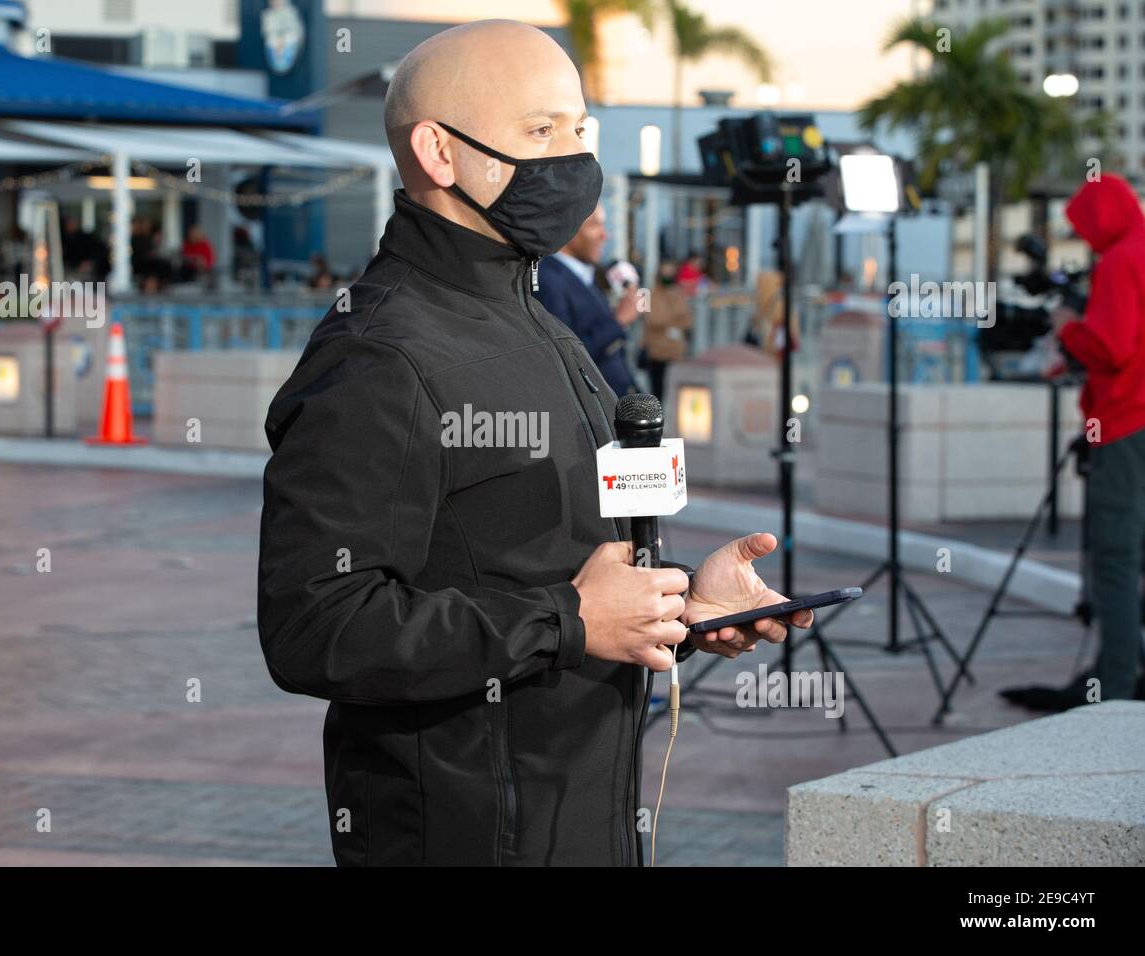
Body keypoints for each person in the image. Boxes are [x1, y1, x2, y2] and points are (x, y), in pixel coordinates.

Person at [256, 19, 811, 867]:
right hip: (464, 834)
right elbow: (314, 624)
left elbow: (554, 561)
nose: (574, 159)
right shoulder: (380, 354)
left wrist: (679, 606)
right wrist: (567, 622)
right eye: (540, 132)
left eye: (581, 130)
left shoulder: (544, 324)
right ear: (440, 153)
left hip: (586, 816)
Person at [1014, 174, 1145, 711]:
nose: (1086, 239)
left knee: (1115, 560)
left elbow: (1113, 350)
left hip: (1124, 426)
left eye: (1087, 227)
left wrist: (1068, 328)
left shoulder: (1120, 261)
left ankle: (1115, 690)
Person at [533, 204, 639, 396]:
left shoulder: (584, 275)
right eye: (594, 226)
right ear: (568, 228)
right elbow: (565, 356)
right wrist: (618, 321)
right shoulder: (549, 281)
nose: (604, 236)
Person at [639, 260, 693, 404]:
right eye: (665, 273)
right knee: (657, 393)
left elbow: (687, 320)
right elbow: (653, 319)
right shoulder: (649, 294)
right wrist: (674, 319)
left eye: (671, 273)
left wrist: (669, 320)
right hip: (656, 352)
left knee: (678, 393)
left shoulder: (678, 294)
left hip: (676, 352)